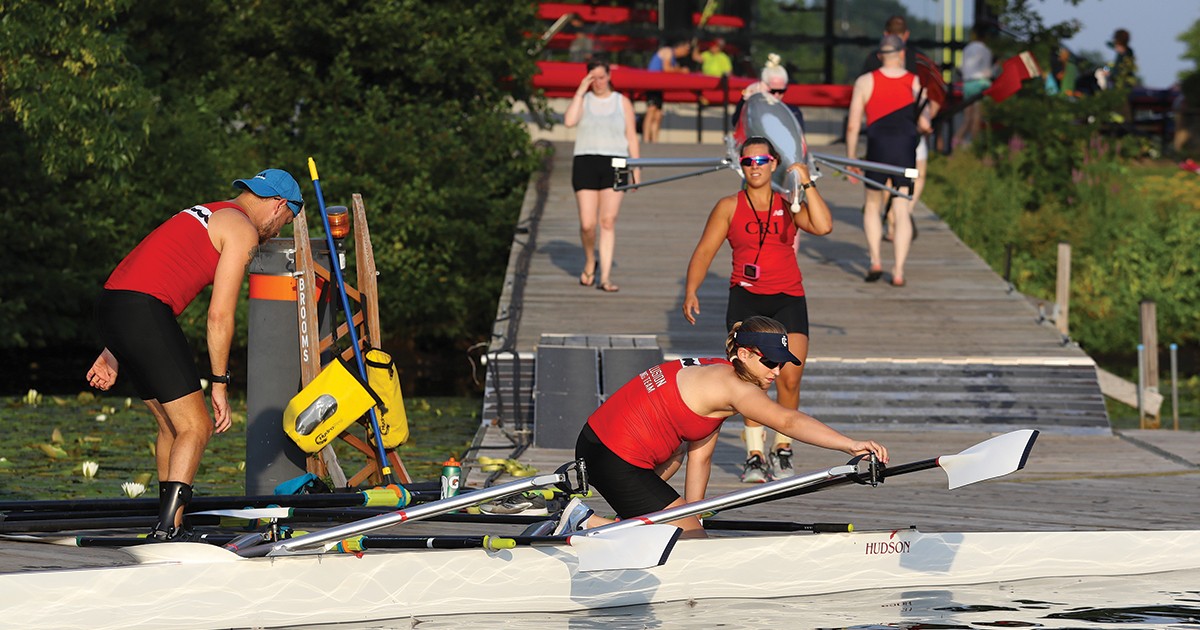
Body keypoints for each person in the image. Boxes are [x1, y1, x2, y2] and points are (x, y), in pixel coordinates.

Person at [85, 168, 303, 541]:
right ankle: (168, 530)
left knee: (173, 426)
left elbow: (152, 274)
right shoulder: (242, 230)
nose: (280, 230)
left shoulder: (206, 211)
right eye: (287, 220)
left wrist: (114, 348)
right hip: (143, 310)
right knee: (197, 426)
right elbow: (219, 316)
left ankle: (171, 520)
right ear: (279, 205)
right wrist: (220, 382)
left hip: (114, 304)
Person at [553, 315, 889, 536]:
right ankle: (586, 523)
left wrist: (693, 515)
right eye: (769, 362)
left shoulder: (718, 368)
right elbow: (787, 419)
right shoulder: (737, 389)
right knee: (691, 543)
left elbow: (701, 455)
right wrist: (849, 444)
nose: (775, 372)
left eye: (781, 364)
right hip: (614, 459)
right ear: (744, 354)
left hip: (595, 441)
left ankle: (620, 524)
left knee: (684, 477)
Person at [682, 136, 831, 483]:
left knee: (789, 378)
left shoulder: (790, 203)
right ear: (741, 166)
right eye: (748, 162)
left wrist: (805, 181)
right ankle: (753, 454)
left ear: (774, 164)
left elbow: (823, 226)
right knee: (751, 378)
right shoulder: (728, 206)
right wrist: (691, 290)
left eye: (761, 161)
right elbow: (705, 250)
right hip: (747, 299)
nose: (755, 167)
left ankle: (782, 447)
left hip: (788, 297)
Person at [847, 34, 931, 288]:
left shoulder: (865, 81)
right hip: (904, 151)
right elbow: (925, 124)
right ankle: (898, 270)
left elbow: (853, 125)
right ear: (902, 54)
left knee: (872, 205)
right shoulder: (916, 83)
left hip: (877, 149)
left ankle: (875, 259)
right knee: (901, 208)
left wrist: (852, 158)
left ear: (880, 55)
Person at [860, 15, 940, 241]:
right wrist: (928, 119)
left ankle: (892, 221)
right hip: (911, 131)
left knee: (881, 183)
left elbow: (863, 98)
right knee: (917, 175)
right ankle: (902, 214)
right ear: (907, 35)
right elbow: (933, 95)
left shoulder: (872, 59)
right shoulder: (920, 60)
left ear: (885, 34)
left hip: (879, 133)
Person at [564, 60, 640, 293]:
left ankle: (605, 277)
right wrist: (580, 89)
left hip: (615, 162)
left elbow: (631, 135)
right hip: (586, 161)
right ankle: (590, 260)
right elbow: (568, 121)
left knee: (607, 221)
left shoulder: (621, 101)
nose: (598, 82)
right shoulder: (584, 100)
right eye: (593, 78)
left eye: (601, 77)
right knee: (588, 224)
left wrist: (636, 167)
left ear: (609, 76)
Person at [952, 26, 993, 149]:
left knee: (967, 118)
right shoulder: (986, 50)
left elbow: (960, 68)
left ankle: (954, 145)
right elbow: (987, 71)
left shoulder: (966, 49)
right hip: (980, 84)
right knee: (977, 117)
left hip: (967, 84)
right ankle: (975, 148)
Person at [643, 40, 692, 144]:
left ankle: (655, 140)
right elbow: (667, 69)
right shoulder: (668, 52)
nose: (686, 53)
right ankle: (646, 139)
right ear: (680, 47)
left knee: (658, 114)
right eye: (686, 49)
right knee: (651, 111)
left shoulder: (674, 59)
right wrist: (681, 71)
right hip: (652, 84)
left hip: (659, 86)